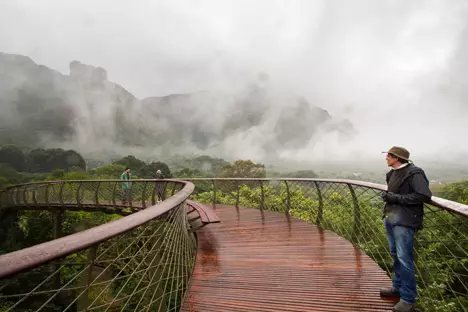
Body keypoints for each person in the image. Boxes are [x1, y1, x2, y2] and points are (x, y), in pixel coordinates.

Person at [380, 146, 432, 312]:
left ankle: (408, 300)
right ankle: (397, 287)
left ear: (396, 158)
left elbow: (424, 195)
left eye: (389, 155)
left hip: (405, 221)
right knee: (395, 255)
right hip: (391, 218)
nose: (386, 157)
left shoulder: (414, 173)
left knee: (404, 259)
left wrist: (395, 197)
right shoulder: (392, 174)